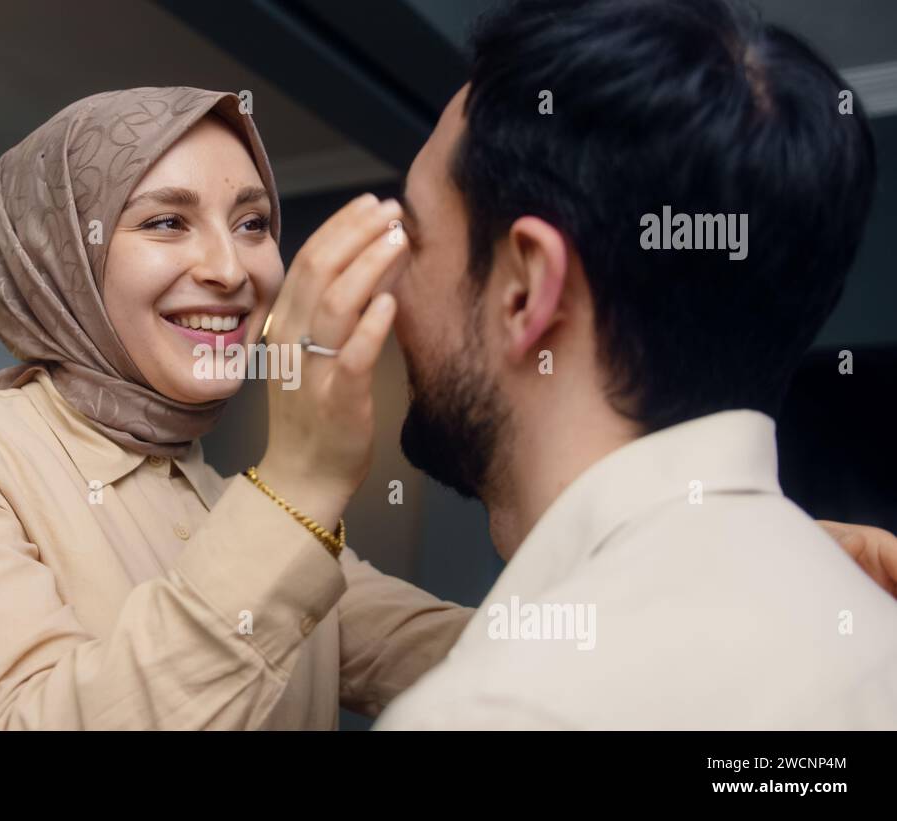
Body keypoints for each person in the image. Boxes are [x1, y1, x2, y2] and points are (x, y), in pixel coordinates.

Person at [0, 84, 896, 730]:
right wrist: (295, 481)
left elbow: (503, 652)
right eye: (165, 222)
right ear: (55, 258)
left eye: (252, 222)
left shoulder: (222, 504)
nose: (231, 267)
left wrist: (744, 564)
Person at [374, 0, 897, 729]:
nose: (388, 283)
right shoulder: (875, 635)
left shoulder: (497, 711)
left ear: (525, 290)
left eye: (415, 237)